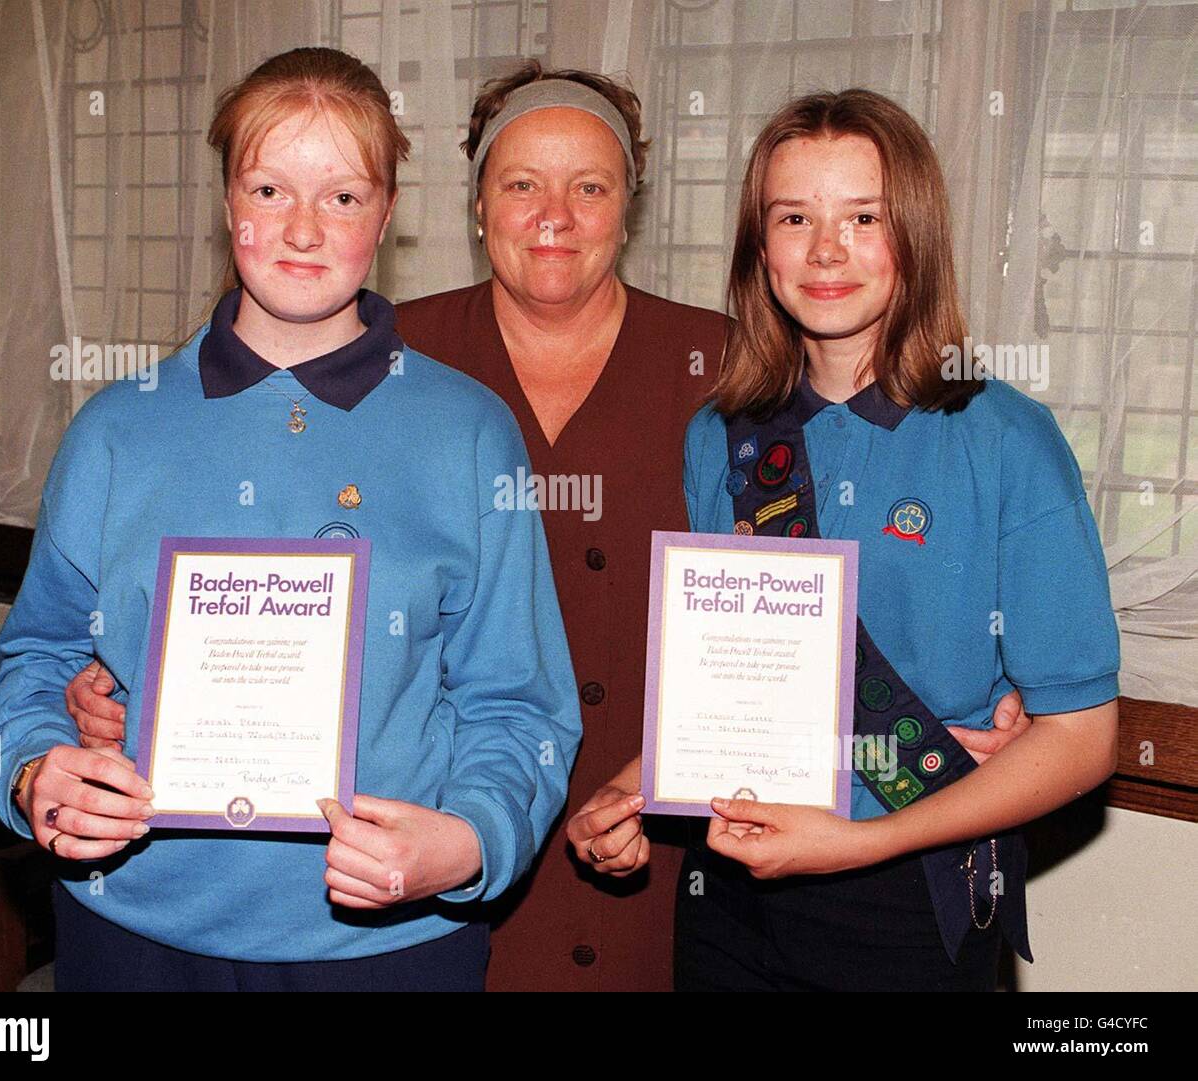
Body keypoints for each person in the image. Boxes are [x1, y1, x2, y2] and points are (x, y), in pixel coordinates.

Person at [61, 63, 1034, 992]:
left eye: (590, 187)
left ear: (630, 206)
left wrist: (968, 706)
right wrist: (123, 682)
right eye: (521, 184)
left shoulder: (735, 373)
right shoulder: (375, 356)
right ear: (476, 206)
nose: (554, 217)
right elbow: (208, 544)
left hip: (672, 843)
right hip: (417, 857)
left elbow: (862, 567)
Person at [0, 47, 580, 992]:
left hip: (385, 945)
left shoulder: (468, 432)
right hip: (130, 931)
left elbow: (518, 699)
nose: (303, 228)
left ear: (386, 215)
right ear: (227, 202)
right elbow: (42, 657)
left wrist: (470, 839)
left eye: (342, 196)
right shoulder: (116, 428)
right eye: (269, 188)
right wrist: (31, 775)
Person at [671, 89, 1120, 991]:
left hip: (911, 893)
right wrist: (631, 777)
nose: (825, 250)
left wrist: (859, 841)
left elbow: (1080, 737)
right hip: (727, 890)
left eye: (862, 217)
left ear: (912, 236)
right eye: (794, 217)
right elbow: (726, 678)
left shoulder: (1006, 440)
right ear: (761, 249)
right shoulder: (718, 435)